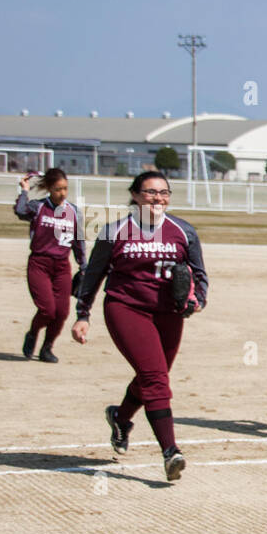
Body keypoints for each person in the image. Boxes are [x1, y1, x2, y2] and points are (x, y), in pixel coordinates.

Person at [72, 172, 208, 482]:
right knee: (155, 377)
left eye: (164, 192)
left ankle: (120, 418)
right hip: (126, 308)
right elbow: (92, 276)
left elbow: (200, 275)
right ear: (135, 195)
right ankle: (171, 451)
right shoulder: (115, 232)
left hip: (169, 314)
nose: (158, 198)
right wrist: (83, 314)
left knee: (153, 374)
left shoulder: (183, 231)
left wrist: (197, 300)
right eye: (150, 192)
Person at [14, 168, 86, 363]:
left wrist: (83, 265)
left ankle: (47, 348)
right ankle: (33, 333)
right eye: (57, 189)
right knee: (47, 309)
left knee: (61, 312)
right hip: (39, 264)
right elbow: (21, 210)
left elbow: (78, 241)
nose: (62, 193)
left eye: (65, 188)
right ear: (49, 189)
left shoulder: (73, 212)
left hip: (62, 266)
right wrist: (24, 190)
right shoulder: (38, 207)